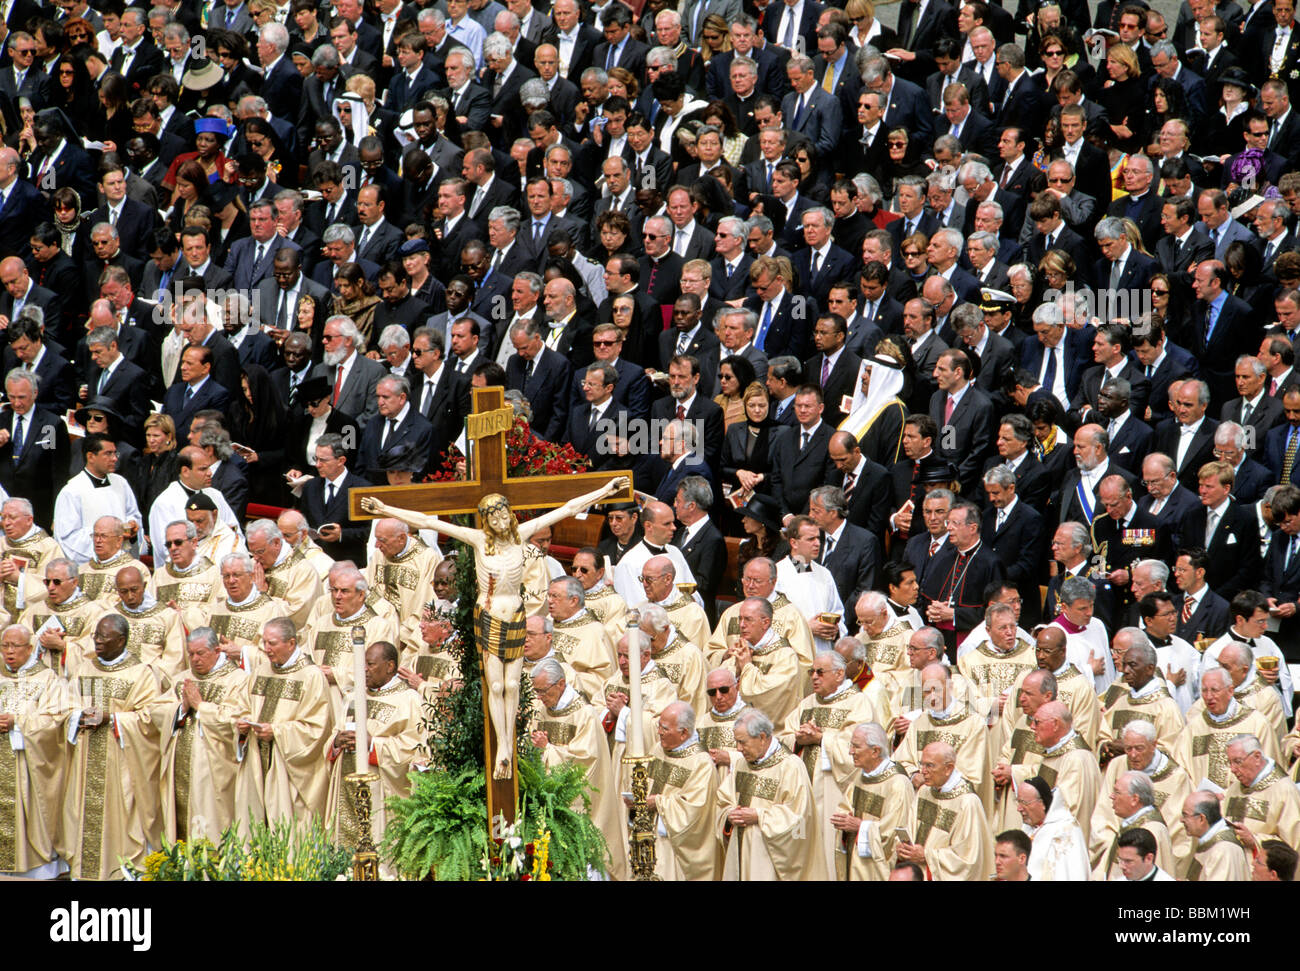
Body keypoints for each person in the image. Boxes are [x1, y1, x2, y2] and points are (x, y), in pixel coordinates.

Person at [361, 475, 628, 779]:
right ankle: (501, 744)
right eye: (494, 515)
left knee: (512, 685)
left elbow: (567, 508)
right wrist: (384, 507)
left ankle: (507, 745)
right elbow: (428, 522)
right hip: (488, 616)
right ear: (486, 520)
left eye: (504, 513)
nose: (501, 520)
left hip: (514, 616)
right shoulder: (477, 540)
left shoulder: (520, 536)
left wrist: (606, 491)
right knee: (496, 686)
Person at [63, 614, 167, 879]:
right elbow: (65, 706)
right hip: (85, 757)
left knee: (120, 815)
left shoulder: (141, 673)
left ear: (121, 641)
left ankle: (119, 870)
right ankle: (83, 871)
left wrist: (112, 718)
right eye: (95, 635)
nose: (96, 641)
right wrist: (77, 716)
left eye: (103, 637)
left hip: (121, 759)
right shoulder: (85, 668)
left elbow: (151, 718)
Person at [529, 656, 630, 881]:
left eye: (543, 691)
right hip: (547, 802)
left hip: (581, 807)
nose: (540, 697)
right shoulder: (540, 709)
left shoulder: (585, 714)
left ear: (561, 684)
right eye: (537, 691)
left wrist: (548, 750)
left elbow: (585, 761)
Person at [324, 641, 424, 854]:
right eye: (362, 665)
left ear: (390, 666)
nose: (364, 670)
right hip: (346, 785)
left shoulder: (409, 700)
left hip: (379, 790)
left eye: (370, 664)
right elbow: (335, 732)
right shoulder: (352, 697)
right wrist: (337, 741)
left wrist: (372, 744)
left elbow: (413, 748)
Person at [159, 627, 258, 843]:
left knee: (211, 829)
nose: (194, 659)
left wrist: (200, 706)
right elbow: (155, 713)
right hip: (180, 767)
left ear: (216, 650)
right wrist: (181, 708)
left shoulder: (238, 680)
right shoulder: (181, 679)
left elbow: (237, 721)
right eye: (190, 654)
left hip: (215, 769)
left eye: (200, 653)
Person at [716, 707, 827, 880]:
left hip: (767, 860)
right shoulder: (741, 765)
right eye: (736, 742)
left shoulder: (790, 766)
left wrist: (759, 816)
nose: (738, 748)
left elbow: (800, 818)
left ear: (761, 737)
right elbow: (722, 801)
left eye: (742, 742)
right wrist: (729, 815)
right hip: (738, 854)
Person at [242, 617, 335, 822]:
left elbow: (317, 727)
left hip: (288, 768)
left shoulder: (311, 676)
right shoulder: (261, 671)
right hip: (258, 761)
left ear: (291, 643)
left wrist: (276, 731)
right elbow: (245, 705)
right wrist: (244, 722)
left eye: (272, 643)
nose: (266, 648)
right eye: (264, 642)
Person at [0, 624, 72, 878]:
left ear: (30, 649)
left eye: (16, 646)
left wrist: (18, 723)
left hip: (28, 763)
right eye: (5, 645)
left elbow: (56, 720)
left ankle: (37, 868)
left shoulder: (48, 679)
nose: (9, 652)